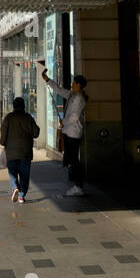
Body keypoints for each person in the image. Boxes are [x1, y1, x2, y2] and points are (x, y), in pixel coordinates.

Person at [42, 69, 88, 197]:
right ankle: (77, 184)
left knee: (74, 160)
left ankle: (78, 186)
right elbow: (60, 90)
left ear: (79, 85)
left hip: (73, 132)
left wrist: (64, 122)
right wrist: (48, 80)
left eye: (74, 83)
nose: (72, 85)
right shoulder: (73, 94)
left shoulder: (80, 98)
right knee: (71, 159)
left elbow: (74, 117)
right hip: (68, 132)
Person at [0, 97, 40, 204]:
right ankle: (21, 196)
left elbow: (3, 136)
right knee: (24, 176)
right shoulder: (28, 117)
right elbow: (36, 133)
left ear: (13, 106)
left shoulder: (8, 118)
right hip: (25, 153)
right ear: (24, 106)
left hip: (11, 153)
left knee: (12, 173)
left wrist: (3, 142)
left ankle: (15, 188)